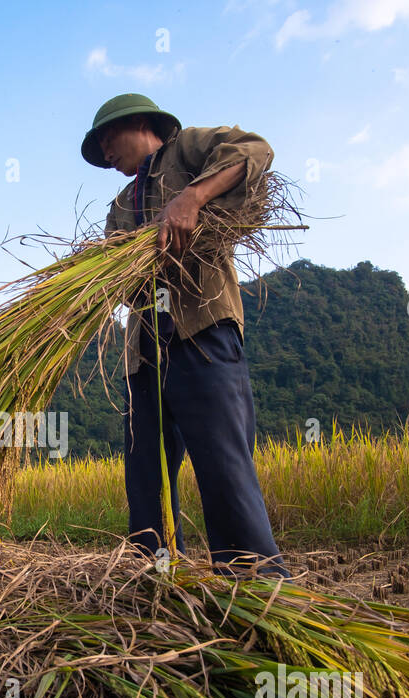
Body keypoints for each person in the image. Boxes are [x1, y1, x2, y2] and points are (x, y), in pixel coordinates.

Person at [81, 94, 288, 576]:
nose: (105, 153)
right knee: (145, 480)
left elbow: (254, 149)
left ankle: (258, 589)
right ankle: (156, 581)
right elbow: (125, 286)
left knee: (222, 466)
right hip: (145, 354)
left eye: (108, 139)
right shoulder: (119, 206)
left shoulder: (185, 149)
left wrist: (191, 197)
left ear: (137, 123)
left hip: (201, 334)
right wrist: (96, 268)